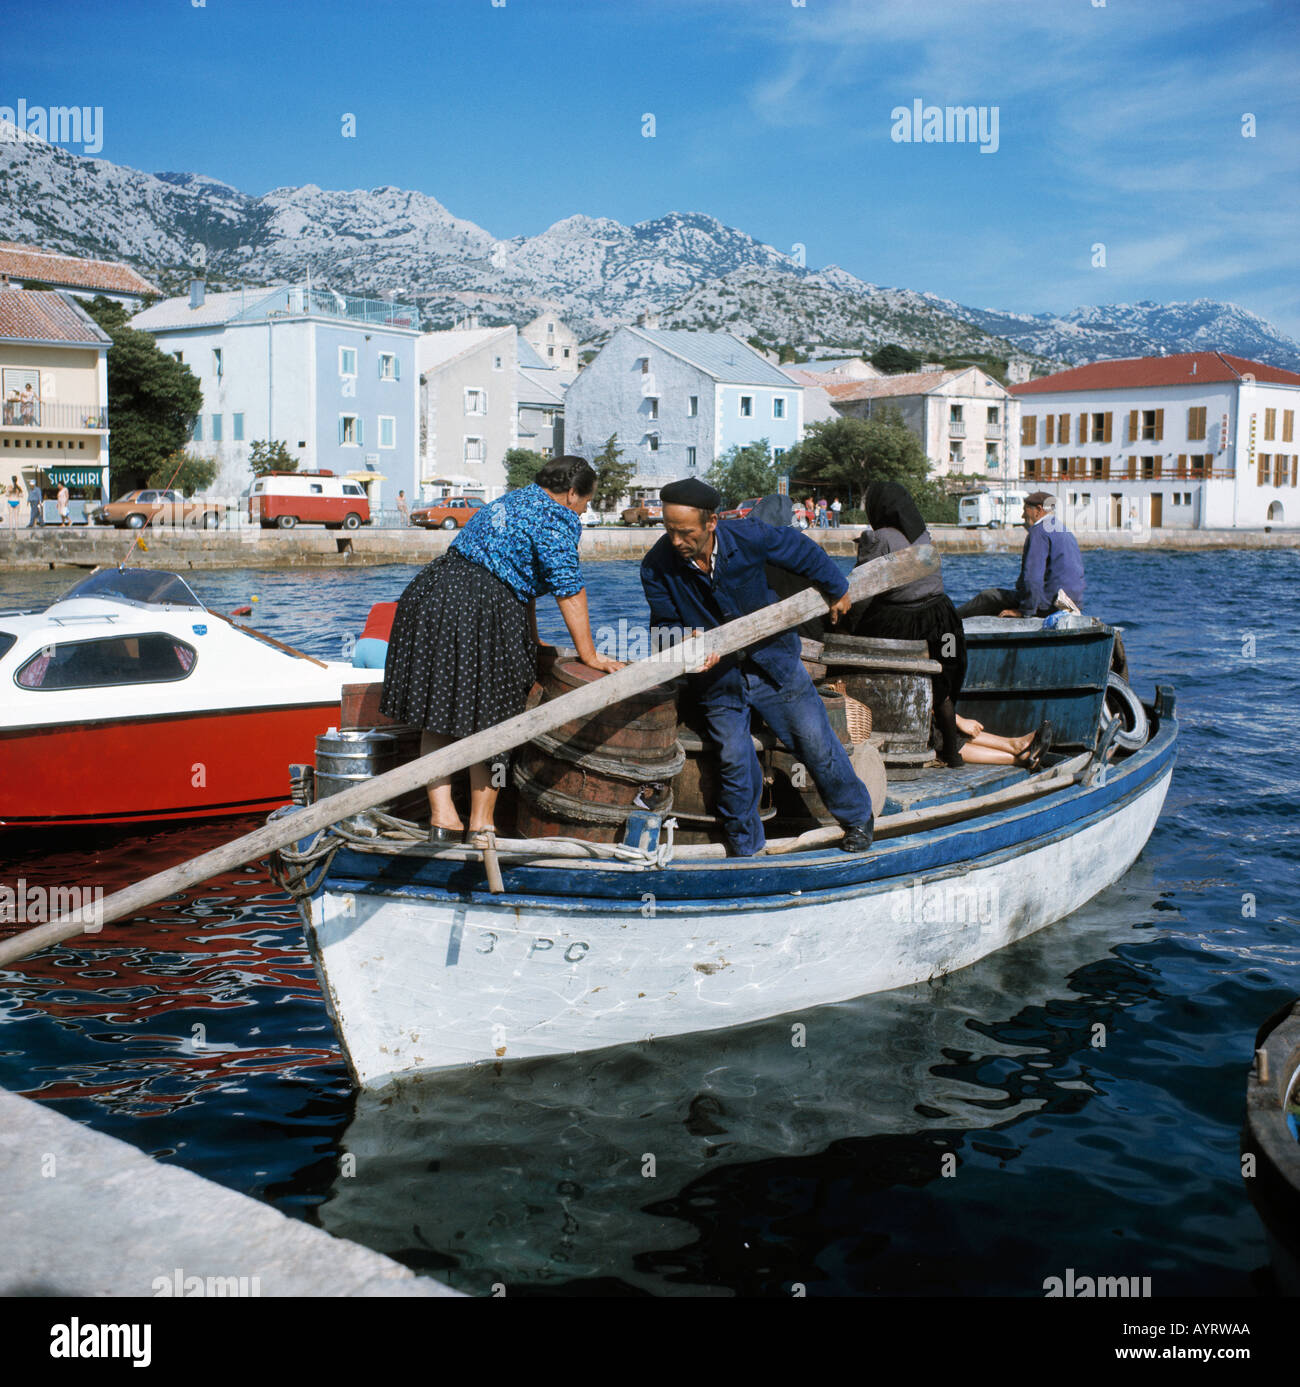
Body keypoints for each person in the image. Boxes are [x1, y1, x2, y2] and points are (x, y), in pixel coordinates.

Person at [380, 455, 622, 842]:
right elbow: (568, 588)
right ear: (572, 494)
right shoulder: (556, 517)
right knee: (497, 719)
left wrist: (533, 638)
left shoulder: (509, 502)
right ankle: (482, 823)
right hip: (479, 606)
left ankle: (442, 819)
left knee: (436, 711)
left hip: (433, 593)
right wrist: (590, 655)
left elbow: (518, 578)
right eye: (586, 503)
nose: (584, 510)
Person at [640, 476, 875, 856]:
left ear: (712, 522)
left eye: (685, 533)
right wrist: (685, 642)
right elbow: (662, 626)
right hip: (717, 676)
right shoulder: (656, 565)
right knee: (733, 757)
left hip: (774, 661)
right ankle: (746, 847)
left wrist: (837, 588)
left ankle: (857, 819)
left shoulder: (750, 535)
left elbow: (803, 551)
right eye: (669, 531)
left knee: (815, 742)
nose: (676, 541)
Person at [852, 480, 967, 767]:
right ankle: (952, 753)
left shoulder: (878, 538)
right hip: (942, 619)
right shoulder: (922, 535)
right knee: (940, 684)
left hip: (903, 621)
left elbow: (860, 587)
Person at [956, 491, 1085, 619]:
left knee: (988, 596)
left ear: (1038, 510)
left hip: (1050, 604)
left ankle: (947, 620)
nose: (1023, 516)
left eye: (1025, 510)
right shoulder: (1062, 529)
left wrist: (1025, 611)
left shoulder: (1039, 532)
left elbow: (1033, 577)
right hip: (1071, 603)